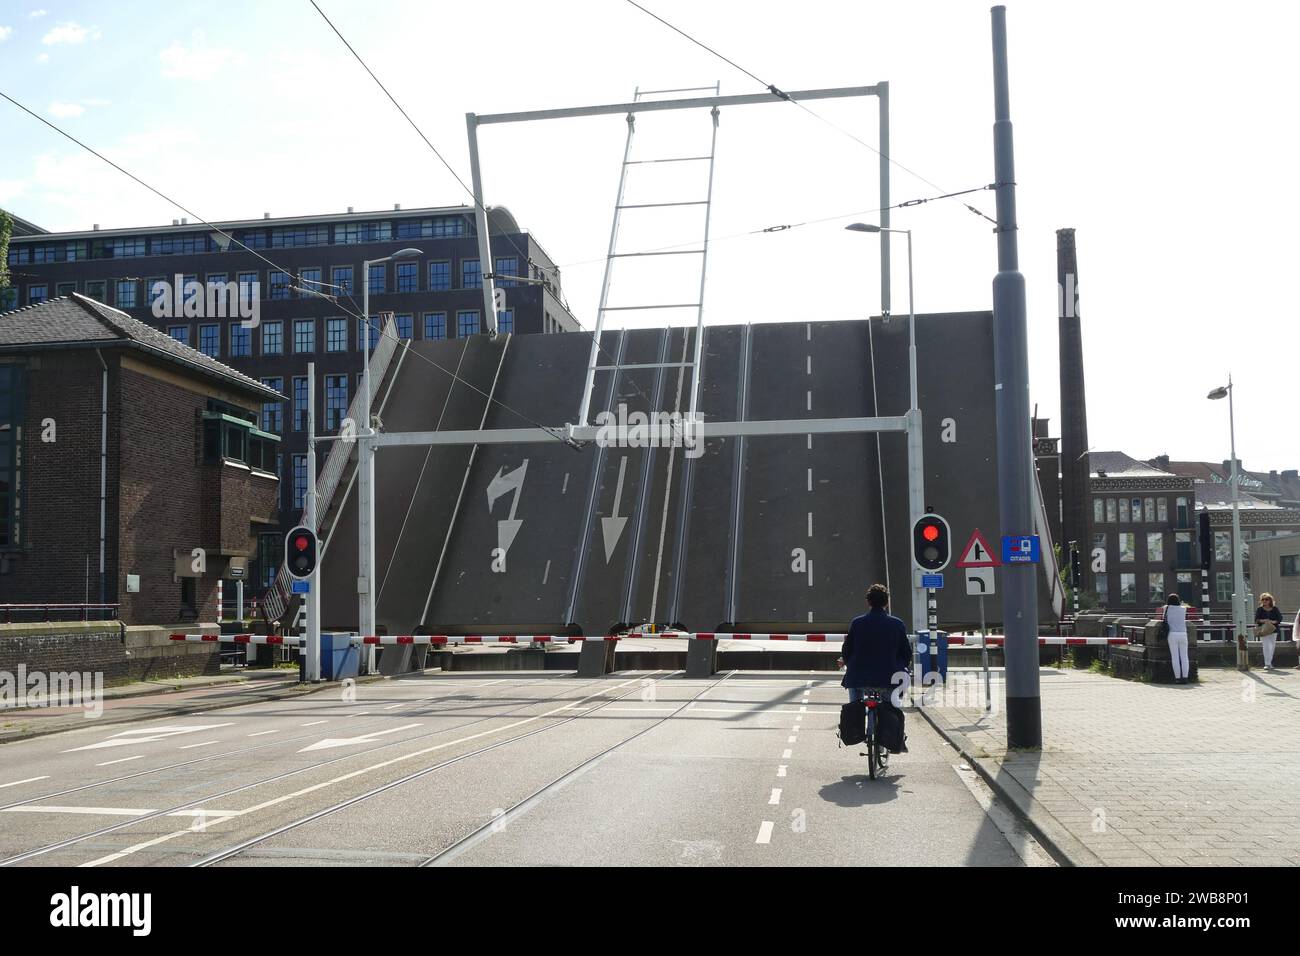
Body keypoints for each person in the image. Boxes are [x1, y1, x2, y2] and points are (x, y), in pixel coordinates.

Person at [840, 583, 913, 704]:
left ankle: (854, 713)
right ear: (887, 602)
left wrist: (850, 665)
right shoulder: (897, 624)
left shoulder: (857, 623)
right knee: (891, 707)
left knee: (854, 708)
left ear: (868, 602)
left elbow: (847, 649)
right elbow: (906, 652)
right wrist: (900, 665)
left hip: (858, 677)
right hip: (889, 677)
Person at [1163, 593, 1190, 684]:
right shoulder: (1183, 609)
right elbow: (1184, 606)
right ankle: (1185, 677)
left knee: (1175, 657)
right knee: (1184, 656)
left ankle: (1177, 678)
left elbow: (1164, 617)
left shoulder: (1166, 608)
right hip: (1183, 634)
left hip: (1172, 634)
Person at [1255, 593, 1283, 670]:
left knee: (1272, 646)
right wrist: (1264, 620)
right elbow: (1257, 619)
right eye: (1263, 599)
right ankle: (1267, 664)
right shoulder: (1259, 609)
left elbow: (1280, 619)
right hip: (1264, 630)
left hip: (1273, 629)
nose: (1264, 601)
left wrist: (1272, 622)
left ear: (1270, 600)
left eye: (1266, 599)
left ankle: (1269, 663)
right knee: (1265, 646)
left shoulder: (1275, 609)